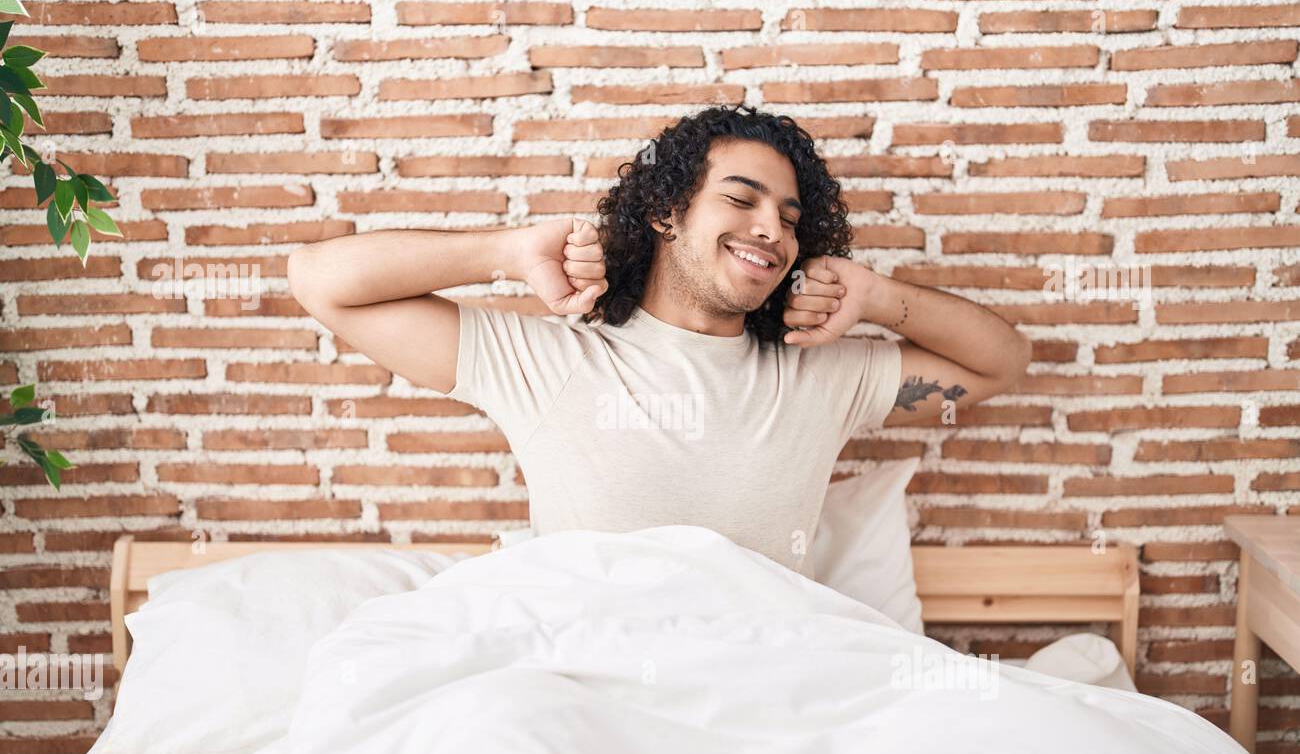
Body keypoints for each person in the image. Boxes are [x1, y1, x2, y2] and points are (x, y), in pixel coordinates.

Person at [287, 104, 1032, 579]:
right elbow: (321, 280)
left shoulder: (821, 377)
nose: (772, 230)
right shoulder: (549, 360)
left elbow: (1002, 362)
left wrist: (875, 297)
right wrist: (507, 251)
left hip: (764, 690)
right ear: (667, 213)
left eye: (790, 216)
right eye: (740, 199)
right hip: (589, 686)